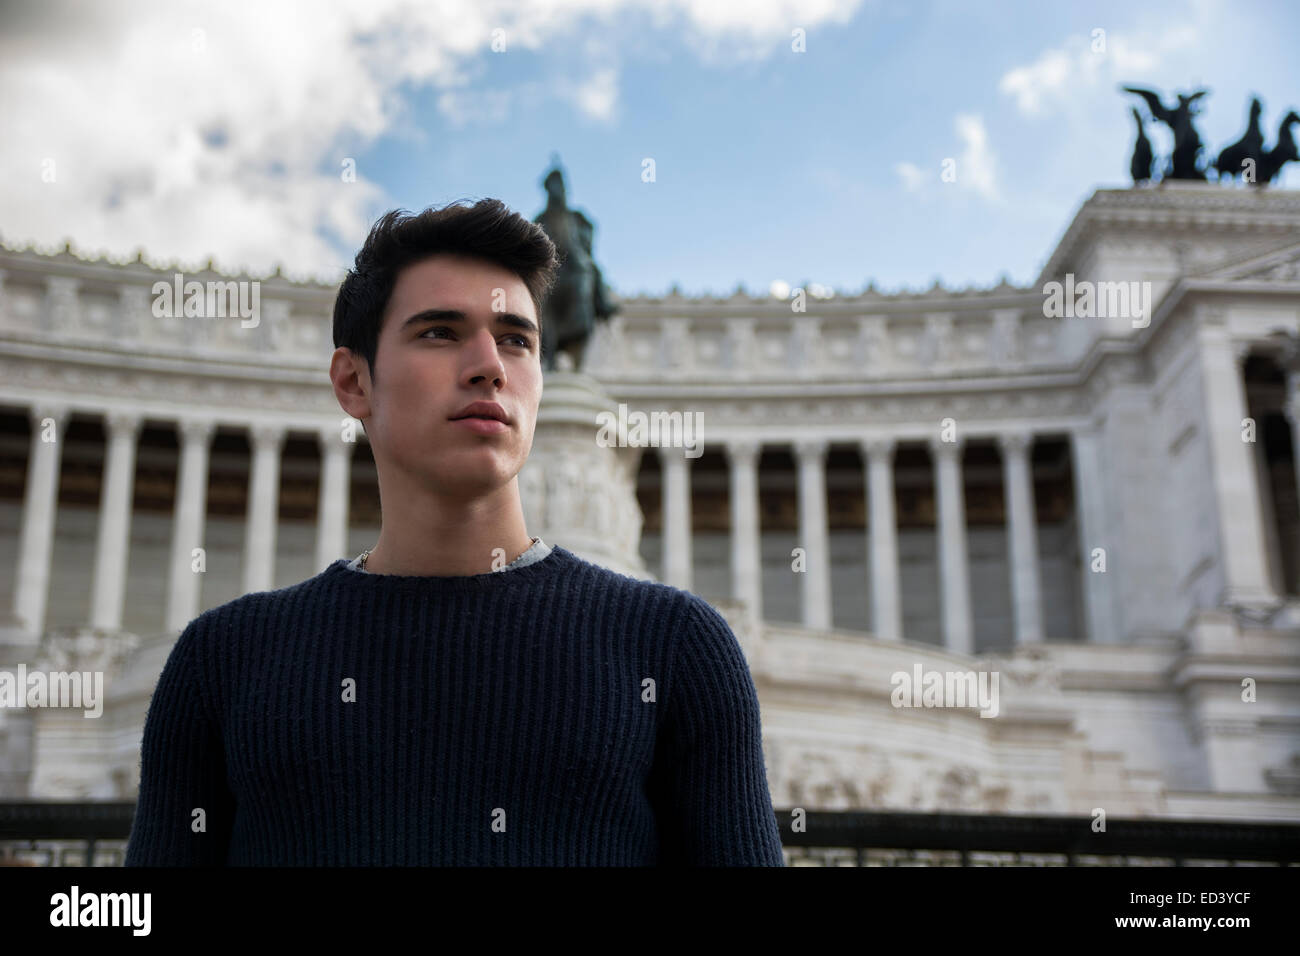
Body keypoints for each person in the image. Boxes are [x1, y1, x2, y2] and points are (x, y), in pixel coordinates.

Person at [124, 197, 785, 866]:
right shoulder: (224, 662)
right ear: (354, 382)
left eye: (517, 339)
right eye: (440, 331)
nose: (489, 365)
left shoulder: (674, 651)